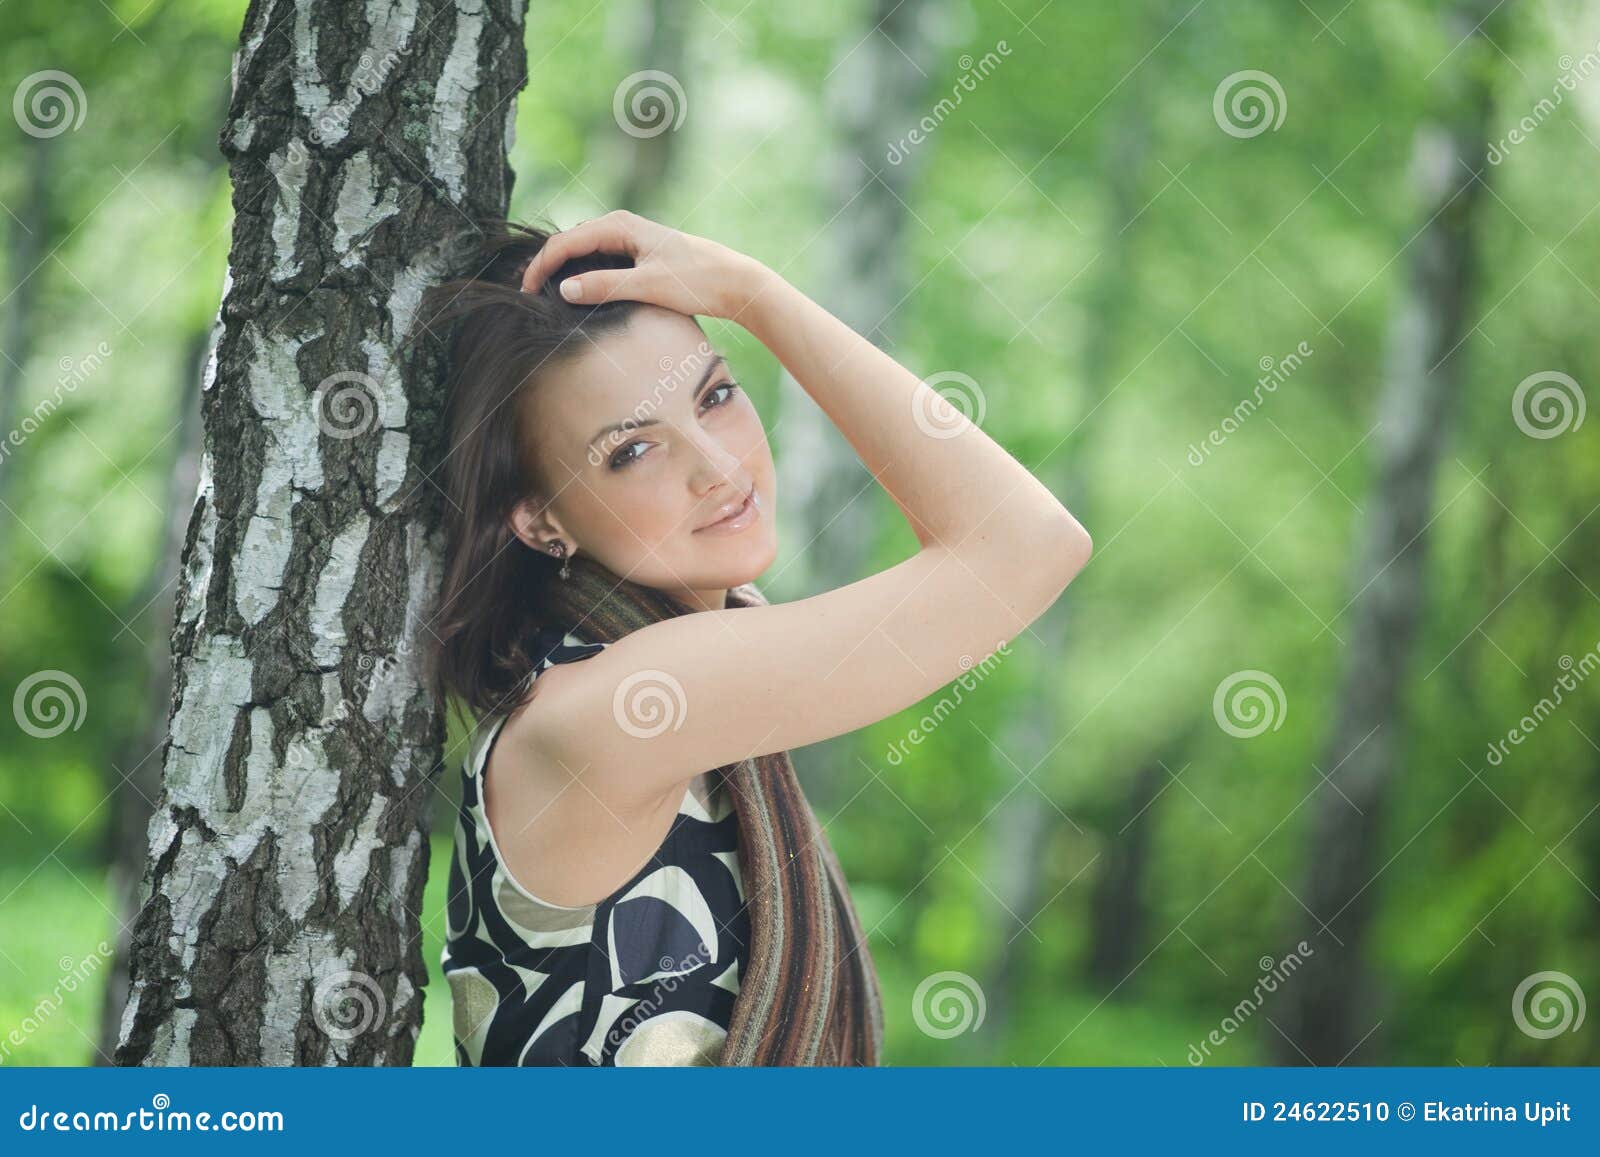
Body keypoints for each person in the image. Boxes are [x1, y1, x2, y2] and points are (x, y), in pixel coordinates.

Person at [418, 210, 1092, 1066]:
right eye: (631, 451)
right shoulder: (611, 707)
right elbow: (1027, 544)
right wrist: (754, 294)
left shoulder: (668, 660)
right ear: (541, 521)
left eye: (717, 396)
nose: (719, 465)